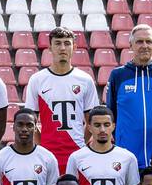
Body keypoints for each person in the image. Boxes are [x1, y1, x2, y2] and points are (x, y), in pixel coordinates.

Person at [23, 26, 98, 173]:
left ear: (74, 47)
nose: (62, 48)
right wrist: (43, 146)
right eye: (57, 43)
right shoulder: (37, 80)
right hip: (48, 153)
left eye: (67, 43)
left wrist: (80, 142)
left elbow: (92, 121)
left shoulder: (85, 80)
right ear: (50, 48)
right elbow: (29, 122)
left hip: (77, 152)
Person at [104, 23, 152, 167]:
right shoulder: (118, 75)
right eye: (139, 41)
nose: (144, 45)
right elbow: (111, 113)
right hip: (127, 154)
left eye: (148, 41)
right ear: (130, 45)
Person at [65, 106, 140, 185]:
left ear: (113, 126)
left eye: (106, 124)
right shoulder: (76, 157)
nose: (102, 129)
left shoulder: (127, 157)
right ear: (89, 127)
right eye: (97, 125)